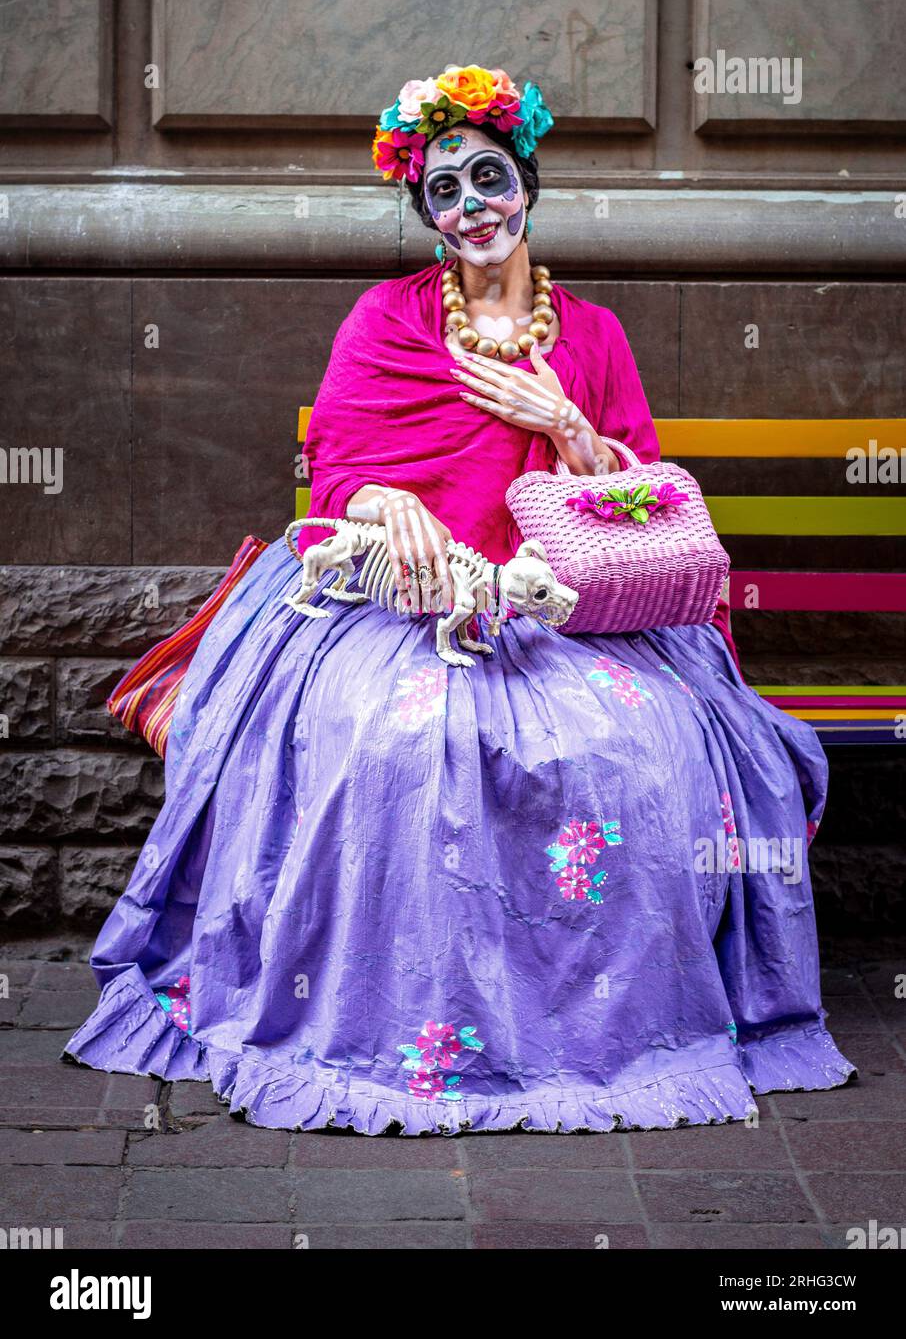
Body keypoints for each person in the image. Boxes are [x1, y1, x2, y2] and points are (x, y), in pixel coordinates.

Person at [65, 65, 854, 1133]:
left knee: (631, 753)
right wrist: (384, 497)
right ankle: (399, 1020)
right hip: (395, 609)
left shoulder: (596, 335)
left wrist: (566, 422)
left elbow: (642, 507)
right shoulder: (384, 321)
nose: (474, 205)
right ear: (426, 211)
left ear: (527, 183)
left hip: (567, 614)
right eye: (447, 190)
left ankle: (599, 1026)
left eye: (491, 177)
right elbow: (336, 473)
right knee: (391, 748)